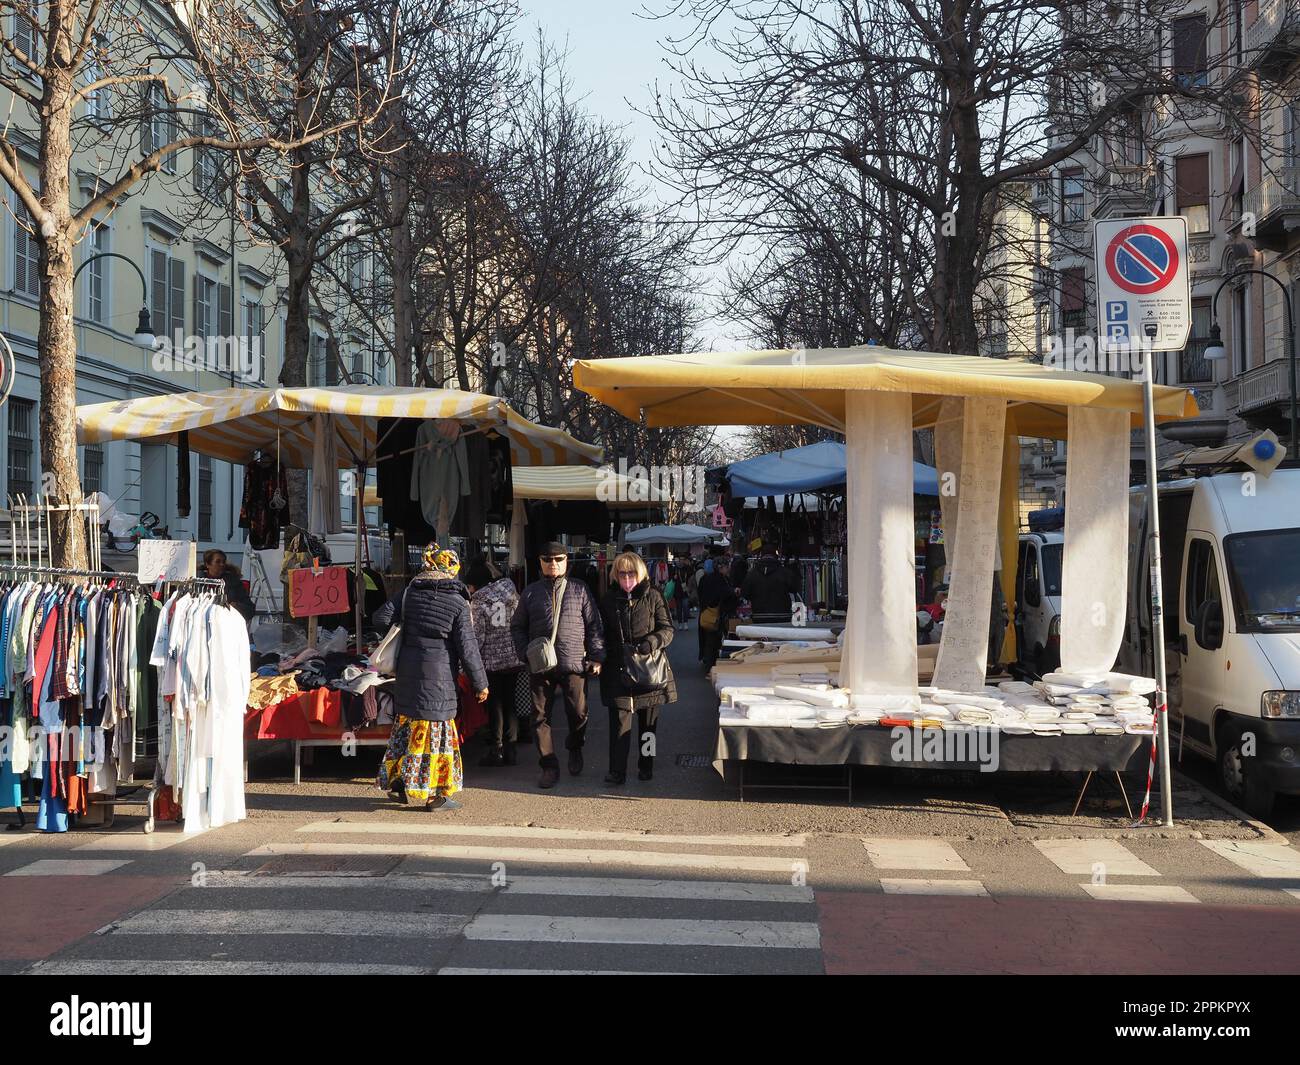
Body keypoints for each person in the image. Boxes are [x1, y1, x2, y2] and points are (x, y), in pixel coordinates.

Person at [374, 545, 488, 810]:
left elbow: (380, 617)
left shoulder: (409, 593)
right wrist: (480, 683)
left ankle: (401, 785)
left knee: (407, 730)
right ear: (453, 570)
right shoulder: (458, 603)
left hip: (408, 676)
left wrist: (406, 628)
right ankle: (437, 795)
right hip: (439, 680)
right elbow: (467, 648)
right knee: (436, 739)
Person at [511, 542, 605, 789]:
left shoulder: (580, 589)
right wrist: (525, 653)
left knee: (578, 713)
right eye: (548, 559)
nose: (553, 563)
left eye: (558, 559)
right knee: (540, 717)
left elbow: (594, 625)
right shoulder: (530, 592)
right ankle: (549, 765)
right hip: (540, 666)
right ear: (540, 562)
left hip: (574, 662)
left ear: (567, 561)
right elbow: (517, 626)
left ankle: (576, 746)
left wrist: (596, 656)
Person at [598, 552, 676, 785]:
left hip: (649, 670)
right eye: (622, 573)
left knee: (648, 728)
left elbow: (667, 630)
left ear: (640, 572)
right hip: (618, 671)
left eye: (631, 572)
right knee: (618, 727)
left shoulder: (653, 596)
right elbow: (599, 633)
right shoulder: (608, 599)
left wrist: (651, 643)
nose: (627, 577)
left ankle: (646, 765)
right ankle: (617, 770)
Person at [465, 557, 524, 767]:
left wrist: (469, 662)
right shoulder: (510, 589)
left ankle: (497, 749)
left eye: (470, 586)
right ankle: (512, 749)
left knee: (495, 705)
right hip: (514, 656)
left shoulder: (479, 600)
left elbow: (477, 636)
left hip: (491, 660)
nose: (470, 590)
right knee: (510, 703)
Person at [742, 551, 799, 622]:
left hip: (759, 616)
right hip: (782, 616)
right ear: (776, 557)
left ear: (761, 557)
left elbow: (745, 594)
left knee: (761, 633)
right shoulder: (785, 573)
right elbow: (794, 588)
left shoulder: (752, 574)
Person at [203, 549, 255, 622]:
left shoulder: (234, 582)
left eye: (223, 562)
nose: (222, 564)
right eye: (218, 562)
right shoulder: (197, 582)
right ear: (208, 564)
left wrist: (236, 606)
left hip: (227, 624)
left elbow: (250, 608)